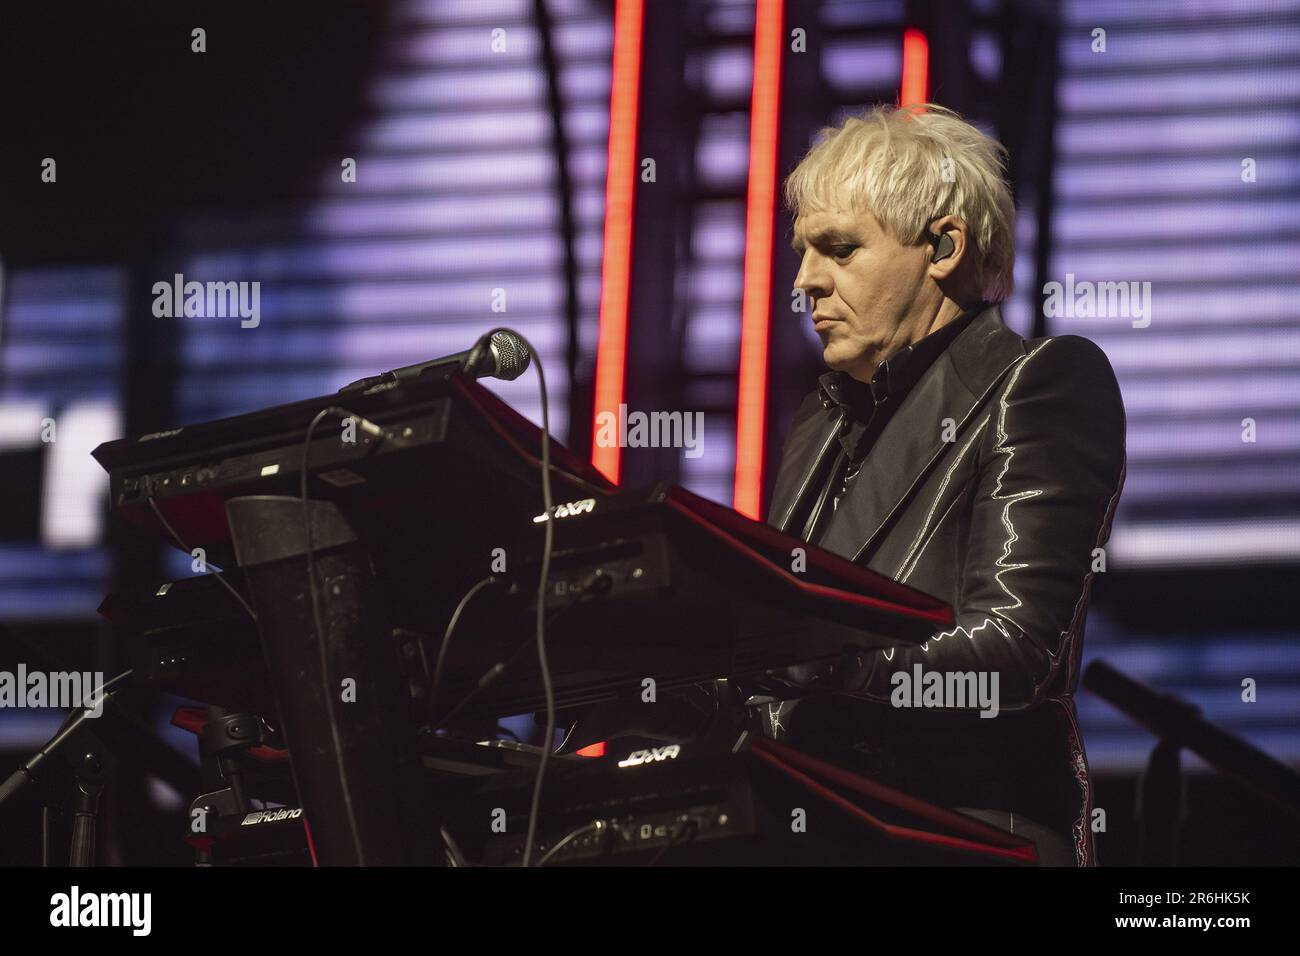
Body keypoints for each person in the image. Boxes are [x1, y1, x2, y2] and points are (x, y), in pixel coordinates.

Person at [760, 103, 1126, 866]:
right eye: (802, 252)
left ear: (943, 247)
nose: (804, 281)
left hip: (967, 840)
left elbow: (1014, 650)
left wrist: (809, 667)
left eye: (839, 248)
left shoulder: (1042, 381)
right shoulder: (821, 421)